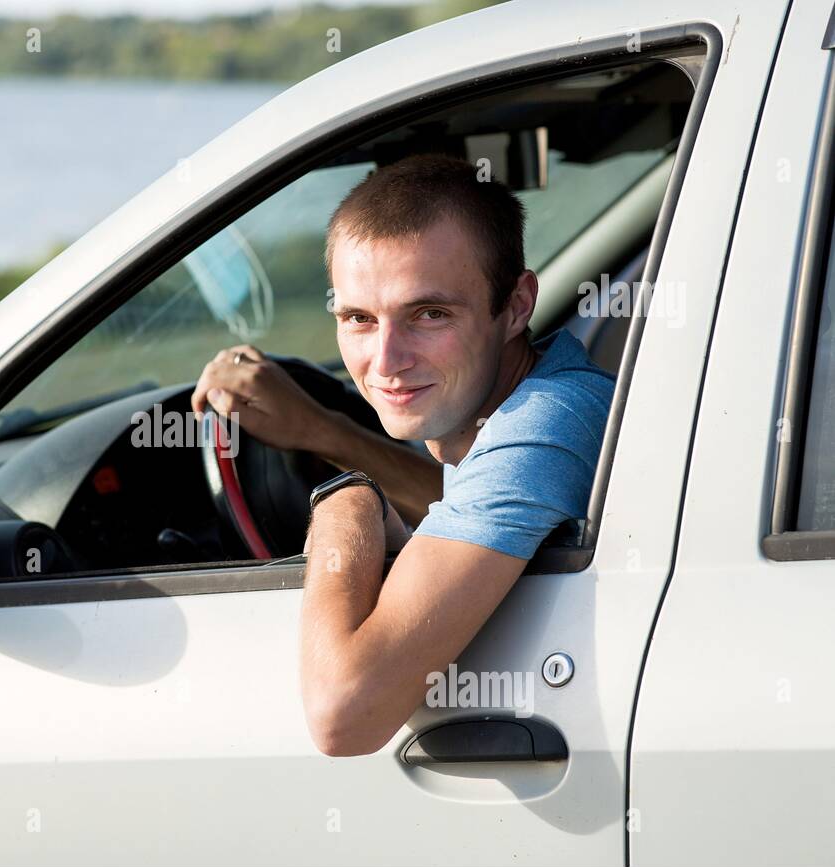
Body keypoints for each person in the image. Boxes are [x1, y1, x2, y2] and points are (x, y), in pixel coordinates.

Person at [189, 154, 616, 756]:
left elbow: (345, 714)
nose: (386, 361)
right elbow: (470, 496)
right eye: (359, 319)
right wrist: (324, 432)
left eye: (430, 314)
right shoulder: (524, 401)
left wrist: (346, 502)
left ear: (517, 305)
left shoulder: (547, 423)